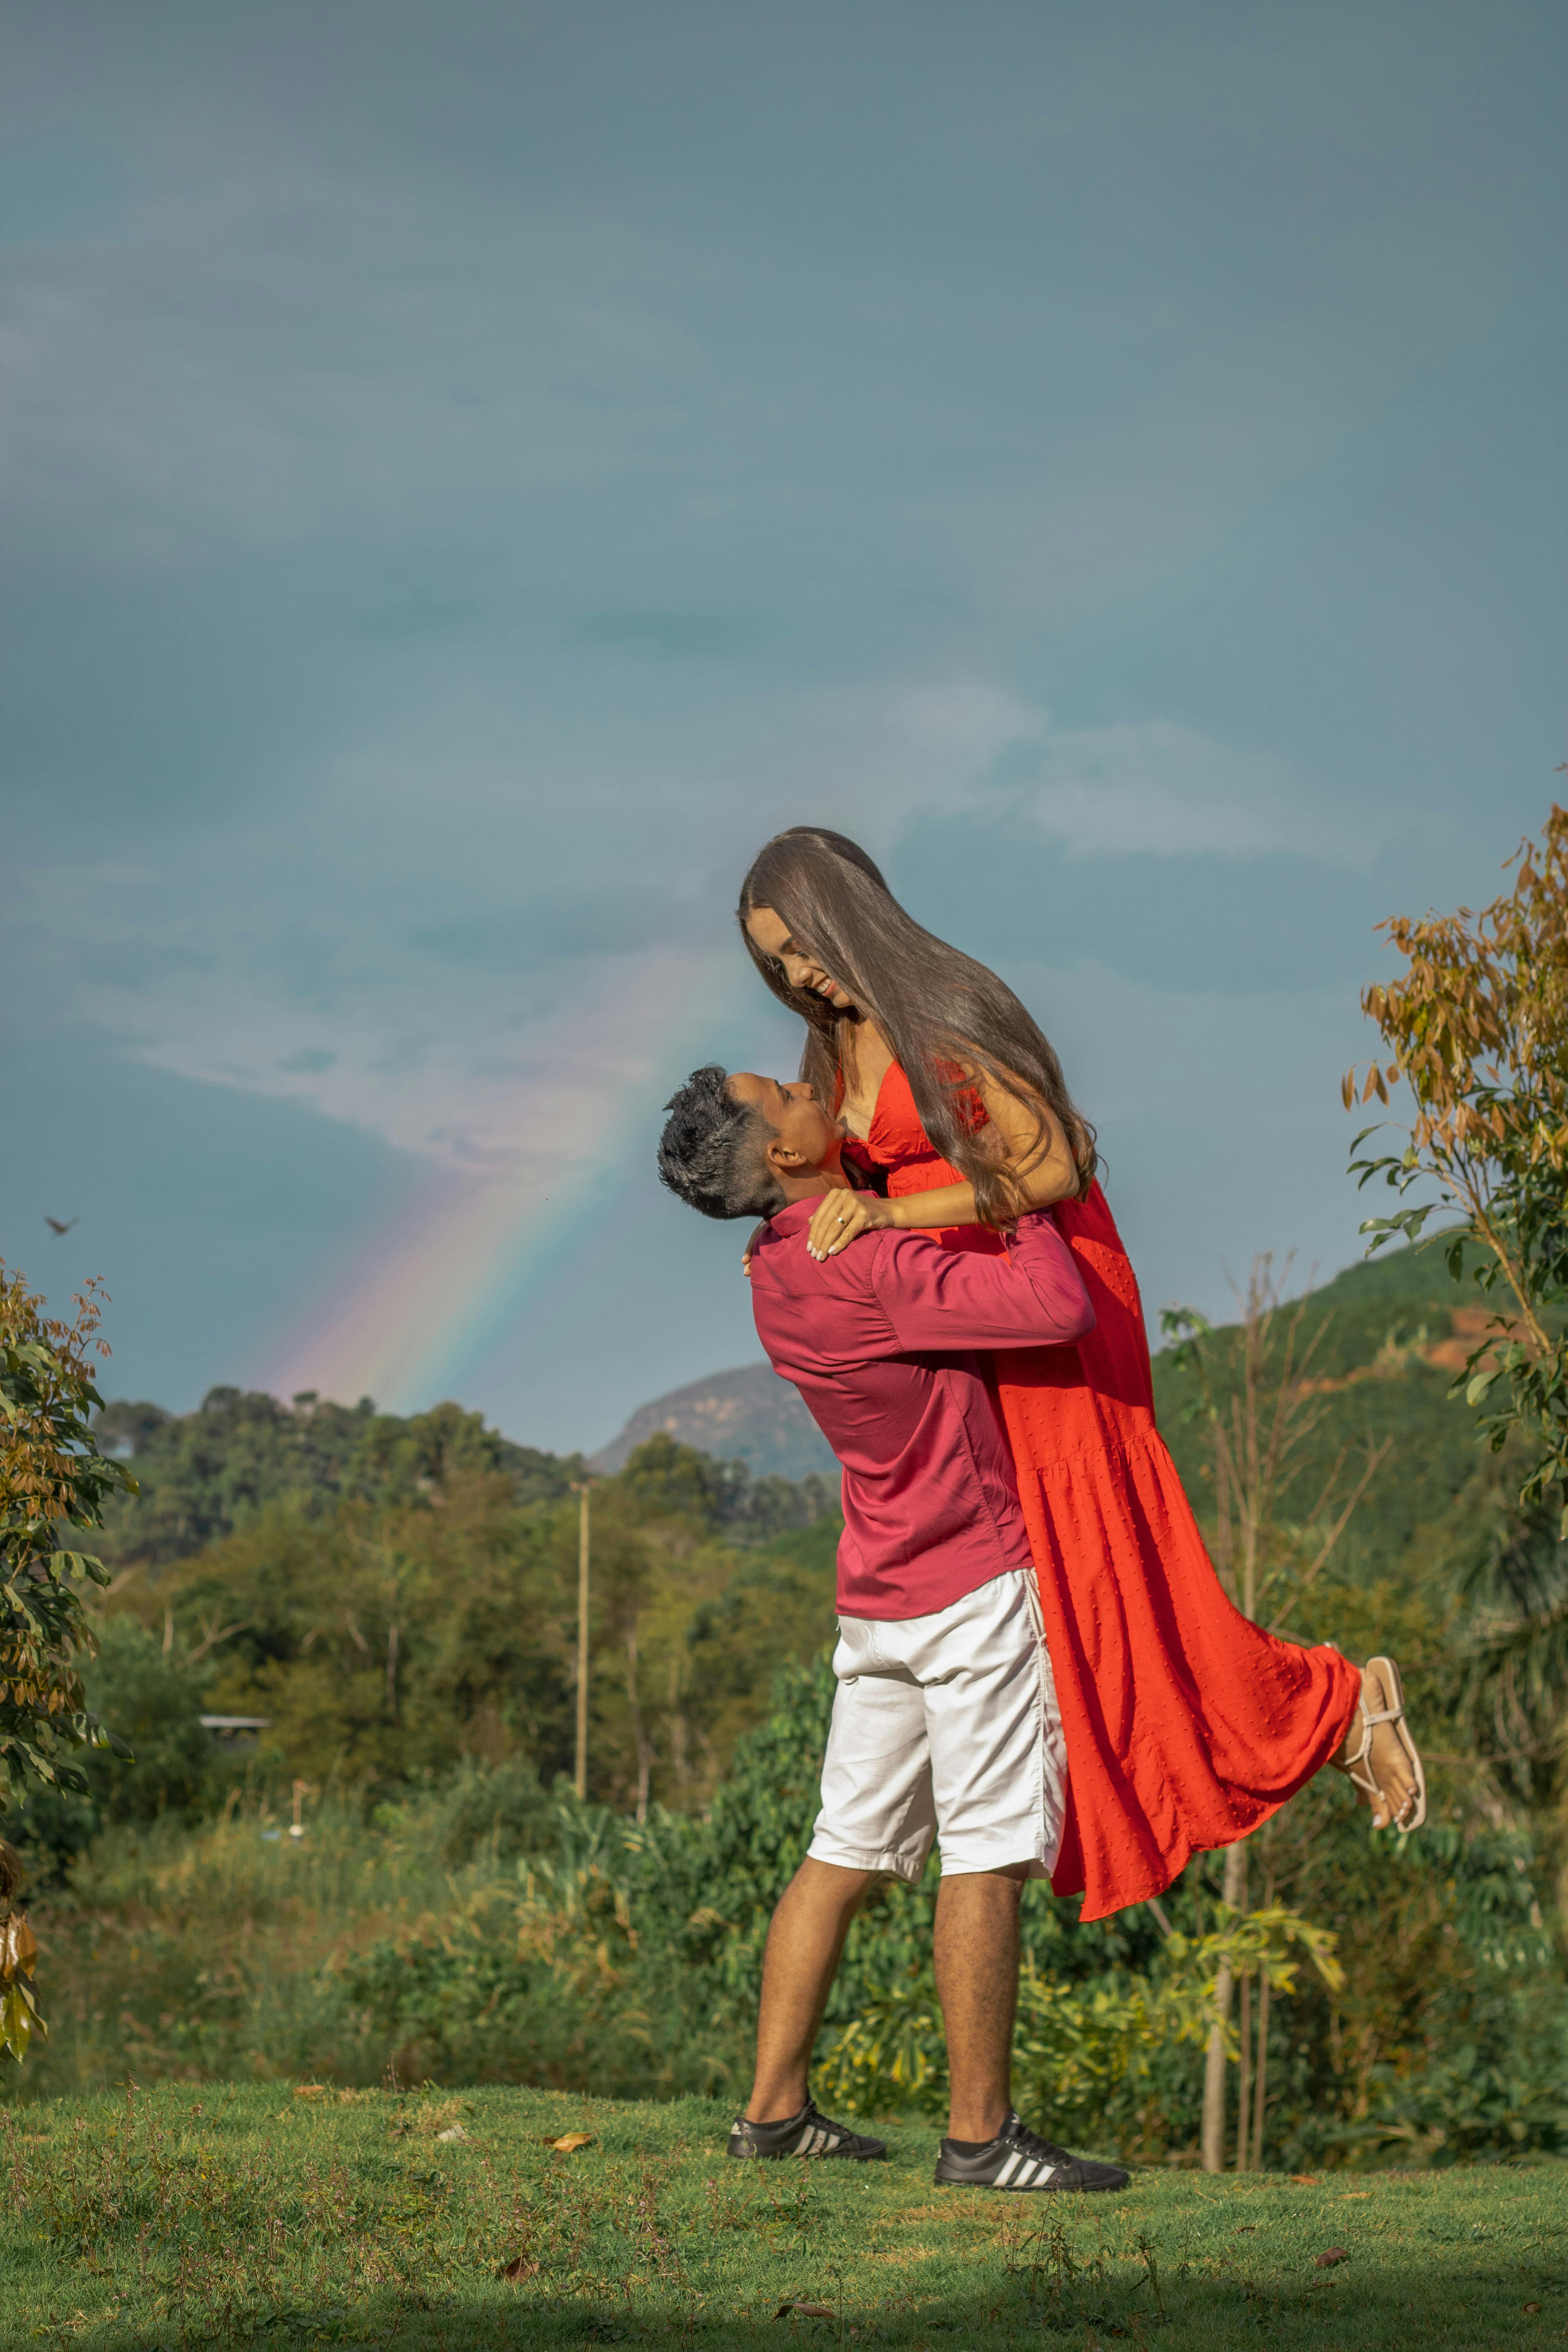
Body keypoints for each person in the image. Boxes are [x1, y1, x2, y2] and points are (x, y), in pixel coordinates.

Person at [735, 824, 1425, 1929]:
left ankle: (1336, 1703)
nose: (798, 978)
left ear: (847, 915)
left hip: (1048, 1302)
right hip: (962, 1324)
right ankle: (1303, 1718)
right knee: (1062, 1602)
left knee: (1109, 1573)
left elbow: (1058, 1164)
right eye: (775, 967)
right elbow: (831, 1196)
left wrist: (897, 1210)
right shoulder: (830, 1055)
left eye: (802, 949)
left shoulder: (942, 1011)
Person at [658, 1062, 1132, 2193]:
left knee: (841, 1855)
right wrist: (1008, 1195)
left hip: (877, 1597)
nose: (815, 1085)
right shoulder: (870, 1258)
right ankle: (981, 2141)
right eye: (788, 1090)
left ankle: (772, 2114)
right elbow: (1060, 1310)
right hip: (970, 1590)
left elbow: (847, 1191)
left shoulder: (776, 1263)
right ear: (784, 1154)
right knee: (990, 1856)